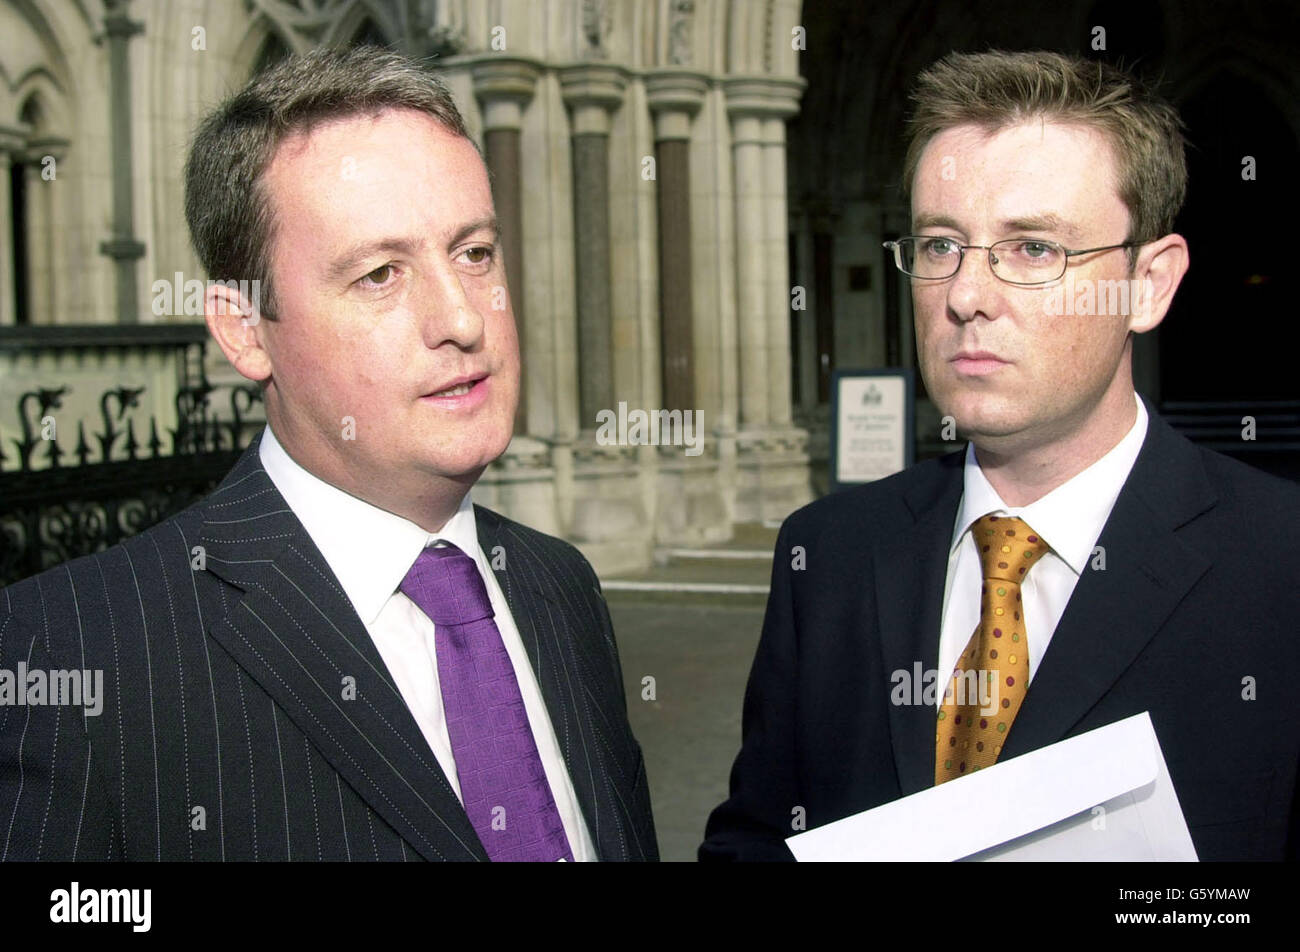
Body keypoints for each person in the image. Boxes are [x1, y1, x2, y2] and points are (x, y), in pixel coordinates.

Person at [0, 46, 657, 862]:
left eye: (475, 252)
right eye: (381, 273)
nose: (462, 317)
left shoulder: (561, 588)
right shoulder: (73, 654)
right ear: (244, 330)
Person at [700, 49, 1299, 862]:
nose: (966, 296)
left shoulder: (1278, 564)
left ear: (1150, 284)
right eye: (941, 244)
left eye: (1034, 250)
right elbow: (756, 839)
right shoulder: (829, 554)